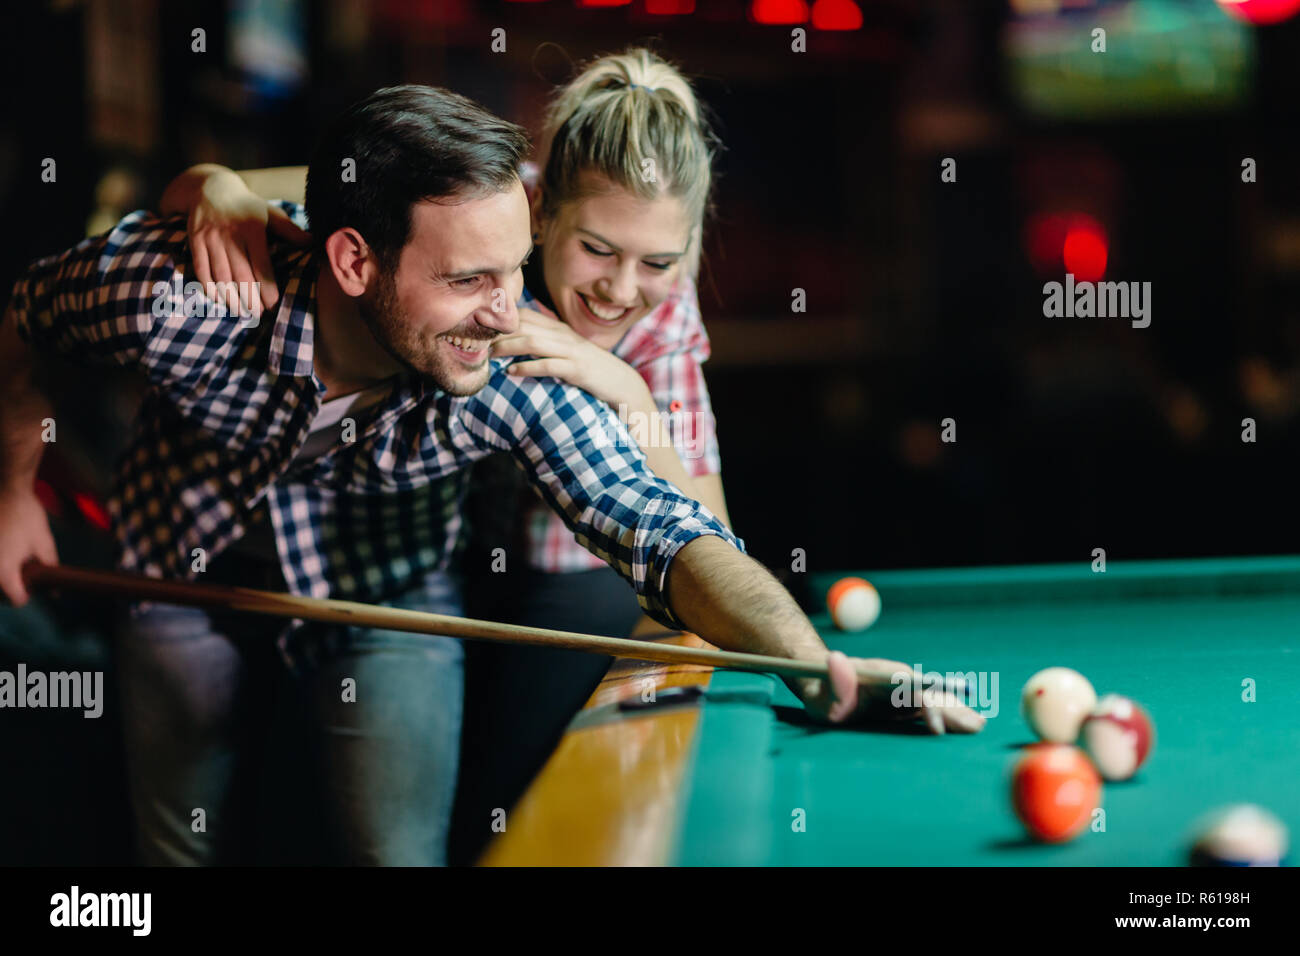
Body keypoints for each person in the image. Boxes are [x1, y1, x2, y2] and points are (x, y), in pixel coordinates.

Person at [1, 84, 983, 867]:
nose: (504, 309)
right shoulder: (181, 296)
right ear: (351, 261)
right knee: (177, 851)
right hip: (179, 574)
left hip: (389, 589)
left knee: (396, 852)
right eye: (469, 278)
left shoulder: (511, 363)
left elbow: (663, 527)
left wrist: (812, 664)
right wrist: (9, 498)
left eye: (515, 271)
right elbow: (20, 320)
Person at [165, 49, 736, 860]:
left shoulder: (660, 310)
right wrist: (215, 184)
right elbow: (270, 191)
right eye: (598, 250)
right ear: (539, 211)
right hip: (414, 550)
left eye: (657, 262)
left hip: (561, 578)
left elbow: (705, 528)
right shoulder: (483, 208)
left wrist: (628, 393)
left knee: (504, 815)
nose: (621, 289)